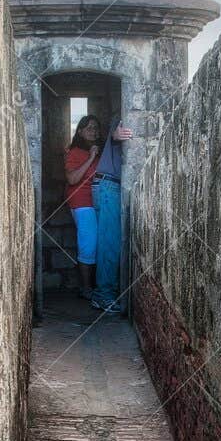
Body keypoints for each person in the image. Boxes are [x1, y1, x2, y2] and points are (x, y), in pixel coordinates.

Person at [90, 114, 134, 314]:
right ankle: (103, 296)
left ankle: (105, 292)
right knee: (110, 243)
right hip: (108, 186)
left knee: (110, 242)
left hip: (106, 185)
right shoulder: (120, 119)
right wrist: (116, 135)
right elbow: (116, 132)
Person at [64, 113, 102, 300]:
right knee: (89, 244)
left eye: (96, 127)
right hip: (81, 201)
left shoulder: (98, 151)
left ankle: (93, 286)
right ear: (80, 132)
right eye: (89, 128)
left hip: (97, 202)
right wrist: (90, 157)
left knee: (97, 244)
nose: (93, 131)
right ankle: (86, 288)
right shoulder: (74, 152)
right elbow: (72, 179)